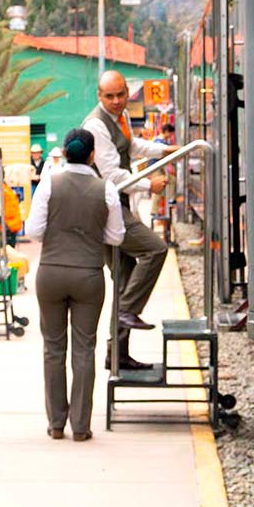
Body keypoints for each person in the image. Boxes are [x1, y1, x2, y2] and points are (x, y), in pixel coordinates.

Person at [25, 128, 124, 440]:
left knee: (53, 348)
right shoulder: (105, 189)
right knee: (85, 348)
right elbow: (116, 236)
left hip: (51, 273)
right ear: (93, 155)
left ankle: (56, 424)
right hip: (89, 276)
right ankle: (80, 427)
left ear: (64, 153)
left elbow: (34, 231)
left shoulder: (48, 184)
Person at [83, 70, 177, 371]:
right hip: (105, 207)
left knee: (125, 278)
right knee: (155, 249)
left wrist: (164, 149)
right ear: (99, 96)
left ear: (127, 93)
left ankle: (118, 354)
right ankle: (126, 311)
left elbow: (132, 146)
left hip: (115, 204)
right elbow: (112, 174)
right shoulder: (97, 125)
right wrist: (150, 184)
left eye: (120, 94)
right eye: (109, 96)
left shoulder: (118, 120)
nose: (115, 101)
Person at [150, 123, 177, 244]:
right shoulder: (160, 142)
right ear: (166, 131)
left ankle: (167, 201)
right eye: (170, 133)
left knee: (169, 181)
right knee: (158, 188)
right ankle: (155, 210)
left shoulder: (160, 141)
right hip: (156, 167)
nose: (170, 136)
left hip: (160, 167)